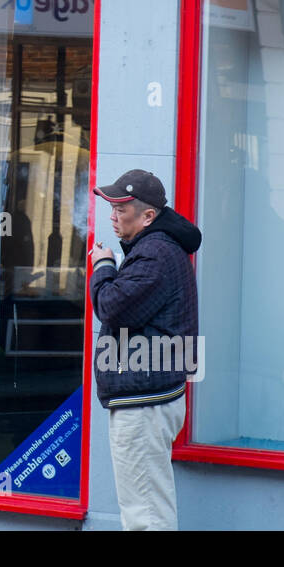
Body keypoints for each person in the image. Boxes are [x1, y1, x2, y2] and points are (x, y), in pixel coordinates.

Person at [88, 169, 201, 531]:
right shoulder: (158, 249)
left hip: (144, 403)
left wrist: (103, 266)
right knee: (147, 507)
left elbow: (111, 307)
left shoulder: (153, 255)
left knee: (146, 515)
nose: (112, 216)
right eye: (112, 208)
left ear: (148, 216)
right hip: (150, 396)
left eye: (121, 209)